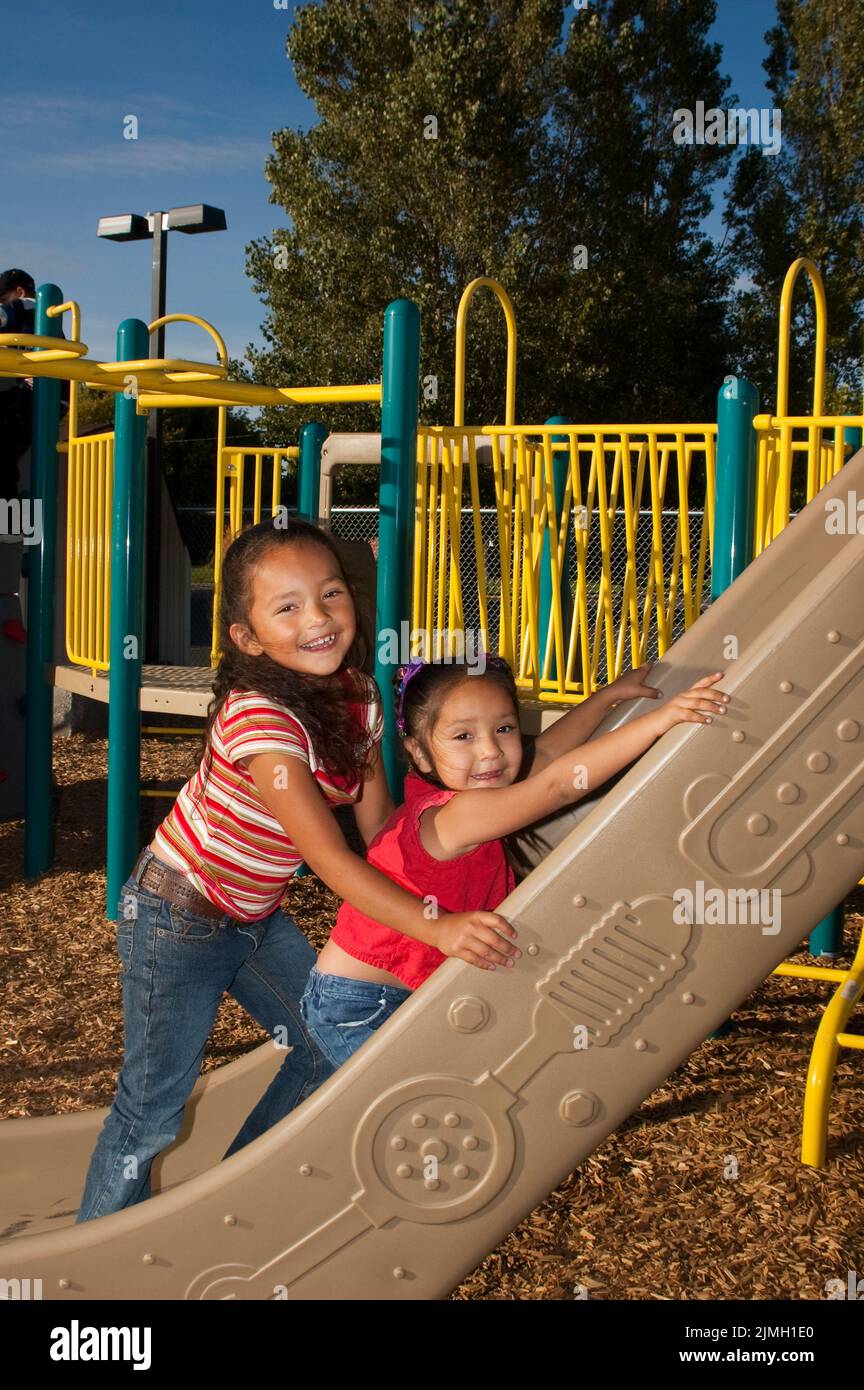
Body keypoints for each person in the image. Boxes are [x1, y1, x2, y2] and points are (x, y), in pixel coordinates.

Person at [77, 517, 518, 1222]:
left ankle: (229, 1204)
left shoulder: (359, 698)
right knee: (153, 1106)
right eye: (287, 607)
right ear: (248, 637)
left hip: (253, 918)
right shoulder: (262, 723)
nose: (318, 618)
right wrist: (437, 929)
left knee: (324, 1044)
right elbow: (332, 859)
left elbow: (381, 836)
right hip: (175, 918)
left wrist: (444, 871)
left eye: (331, 594)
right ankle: (91, 1255)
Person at [301, 655, 730, 1066]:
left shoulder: (466, 795)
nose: (490, 751)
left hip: (370, 993)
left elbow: (543, 756)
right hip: (363, 1004)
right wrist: (657, 722)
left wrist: (607, 698)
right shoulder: (457, 815)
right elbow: (557, 786)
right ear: (419, 752)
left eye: (504, 728)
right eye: (463, 736)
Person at [0, 269, 36, 510]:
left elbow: (4, 316)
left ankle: (12, 530)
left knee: (3, 455)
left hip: (38, 399)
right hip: (26, 396)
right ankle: (14, 532)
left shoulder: (30, 308)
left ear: (20, 293)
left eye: (3, 299)